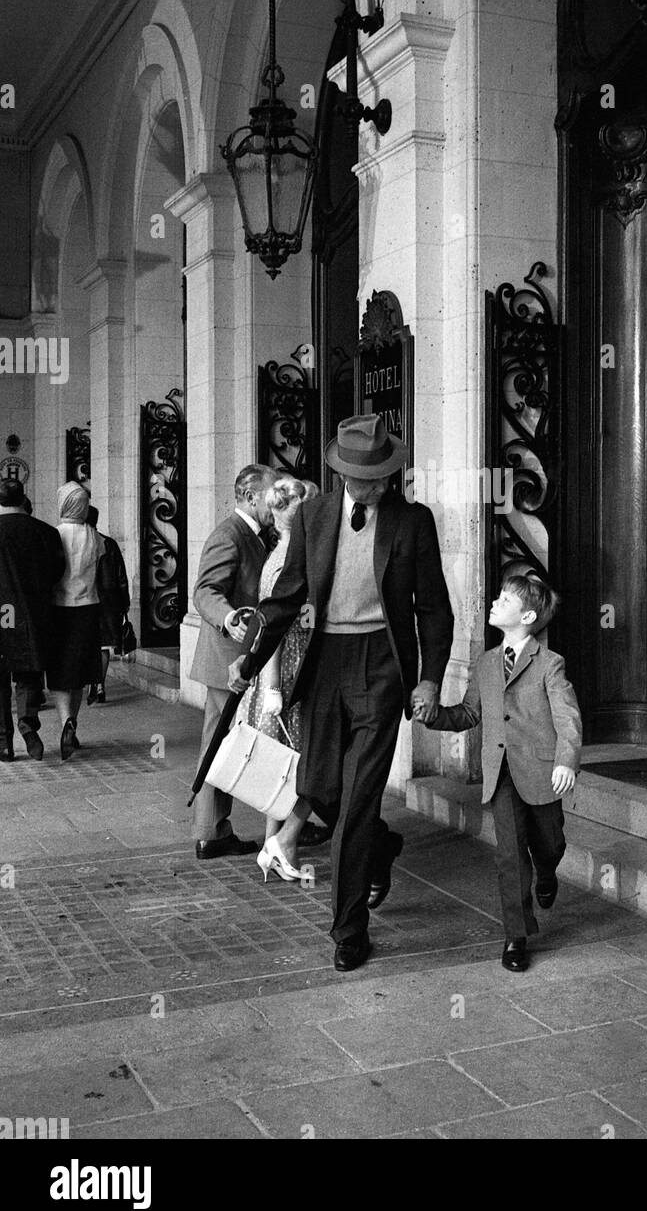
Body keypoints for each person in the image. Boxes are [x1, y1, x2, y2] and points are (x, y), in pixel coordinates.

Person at [230, 413, 454, 972]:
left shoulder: (413, 522)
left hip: (383, 666)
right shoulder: (315, 514)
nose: (373, 484)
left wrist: (430, 677)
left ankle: (348, 931)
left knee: (358, 799)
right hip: (328, 662)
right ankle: (380, 848)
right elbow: (283, 599)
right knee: (318, 785)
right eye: (362, 476)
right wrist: (252, 659)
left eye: (381, 474)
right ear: (341, 473)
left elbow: (434, 609)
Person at [415, 575, 581, 973]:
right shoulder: (486, 663)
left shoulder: (549, 663)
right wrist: (435, 714)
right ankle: (516, 936)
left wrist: (566, 760)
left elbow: (568, 717)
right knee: (509, 854)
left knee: (550, 842)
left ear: (526, 616)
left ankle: (547, 871)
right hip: (500, 772)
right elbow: (470, 713)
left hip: (541, 771)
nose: (494, 601)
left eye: (504, 599)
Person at [233, 474, 325, 881]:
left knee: (283, 766)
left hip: (291, 666)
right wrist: (272, 687)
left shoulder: (286, 553)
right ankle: (284, 839)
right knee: (306, 762)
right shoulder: (286, 561)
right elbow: (273, 629)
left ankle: (275, 844)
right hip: (287, 670)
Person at [191, 464, 277, 859]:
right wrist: (227, 617)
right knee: (218, 743)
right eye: (272, 493)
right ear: (250, 496)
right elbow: (206, 590)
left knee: (226, 742)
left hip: (241, 659)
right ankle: (210, 832)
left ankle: (216, 829)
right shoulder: (230, 534)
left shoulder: (256, 535)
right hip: (228, 657)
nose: (276, 501)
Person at [0, 479, 64, 761]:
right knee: (28, 673)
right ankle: (28, 726)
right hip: (30, 613)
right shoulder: (46, 533)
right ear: (23, 497)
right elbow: (57, 572)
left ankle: (3, 743)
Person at [46, 481, 106, 760]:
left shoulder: (54, 535)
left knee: (59, 672)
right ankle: (74, 724)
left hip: (59, 609)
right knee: (80, 672)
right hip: (88, 609)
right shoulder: (96, 538)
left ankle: (65, 721)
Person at [85, 506, 130, 704]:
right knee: (103, 646)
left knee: (88, 645)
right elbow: (121, 576)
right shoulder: (108, 543)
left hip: (85, 600)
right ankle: (100, 685)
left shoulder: (80, 542)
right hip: (108, 602)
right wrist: (125, 602)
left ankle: (90, 684)